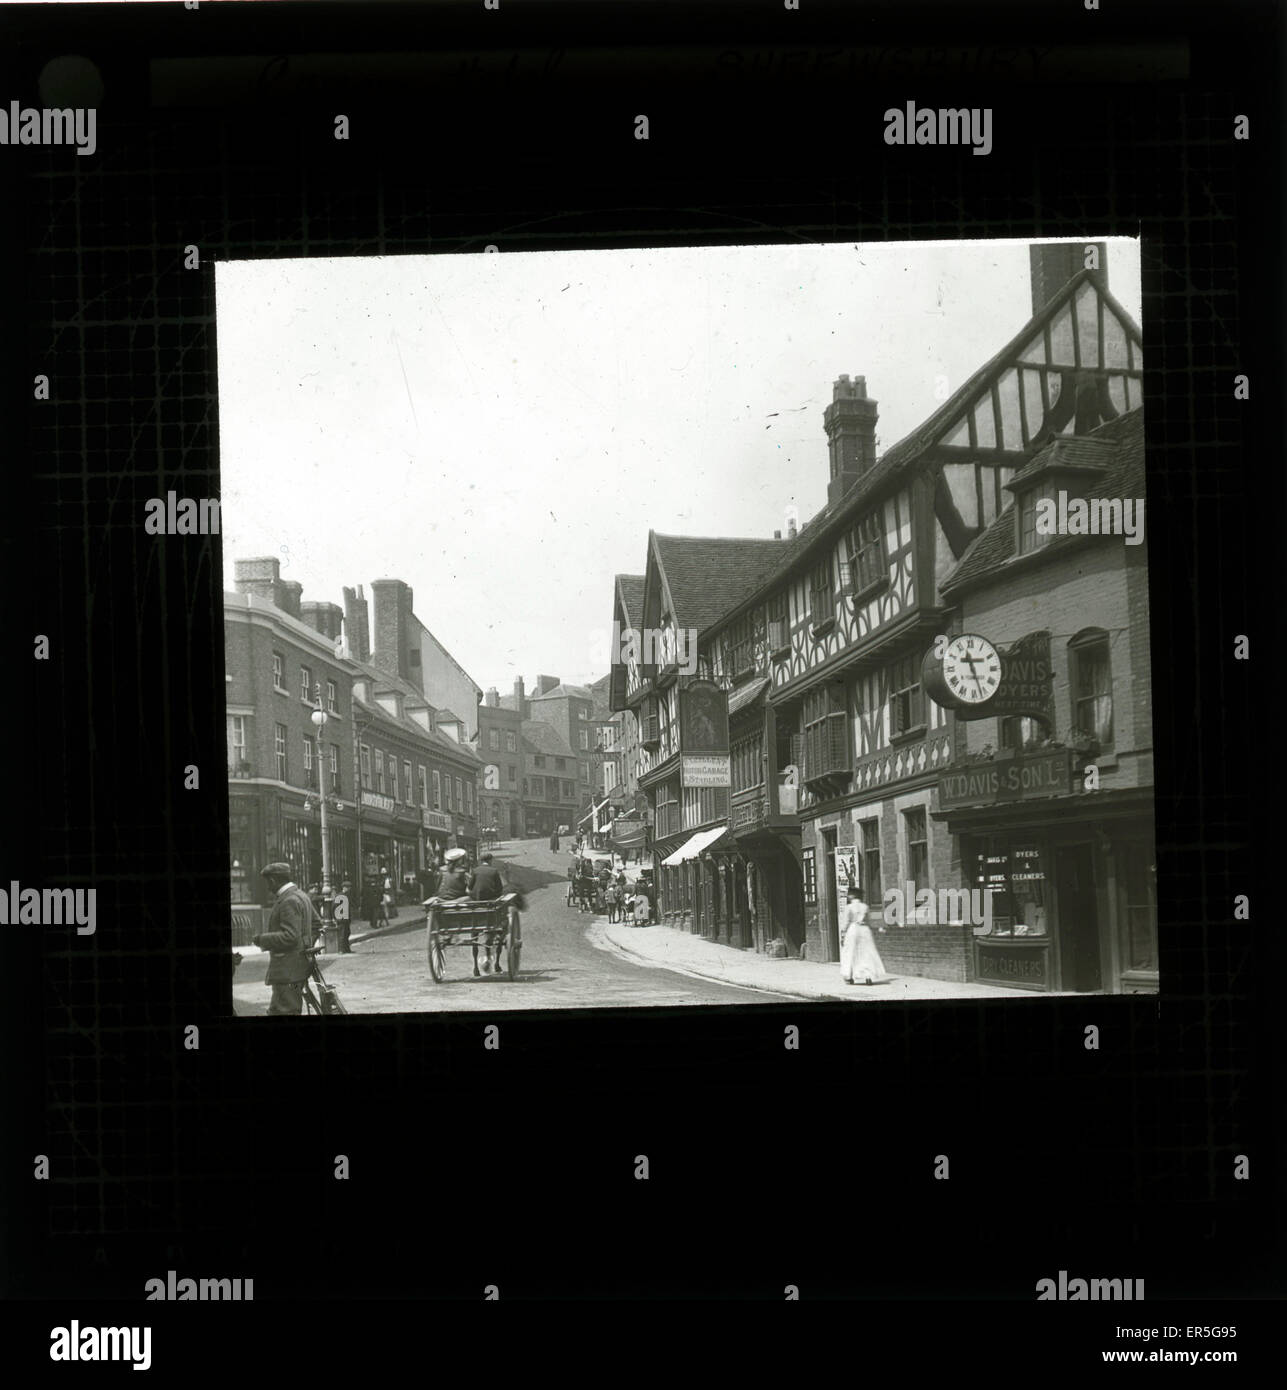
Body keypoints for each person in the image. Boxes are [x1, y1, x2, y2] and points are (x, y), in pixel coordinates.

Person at [252, 863, 315, 1015]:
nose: (268, 888)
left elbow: (290, 936)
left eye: (268, 883)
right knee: (279, 1010)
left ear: (273, 880)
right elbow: (317, 924)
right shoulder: (302, 895)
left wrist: (262, 939)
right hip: (298, 968)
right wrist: (305, 947)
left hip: (287, 971)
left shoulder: (288, 900)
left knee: (283, 1011)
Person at [840, 895, 888, 985]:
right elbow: (869, 921)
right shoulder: (865, 906)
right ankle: (868, 976)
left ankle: (850, 977)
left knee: (851, 953)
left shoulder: (849, 907)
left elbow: (846, 922)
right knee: (867, 953)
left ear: (851, 897)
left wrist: (843, 934)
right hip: (865, 930)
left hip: (853, 930)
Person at [333, 881, 353, 954]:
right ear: (344, 887)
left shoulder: (345, 895)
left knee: (346, 933)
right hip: (341, 918)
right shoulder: (340, 896)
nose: (349, 889)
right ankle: (341, 949)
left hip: (345, 918)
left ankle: (346, 949)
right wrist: (336, 917)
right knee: (342, 934)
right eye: (348, 887)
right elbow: (334, 907)